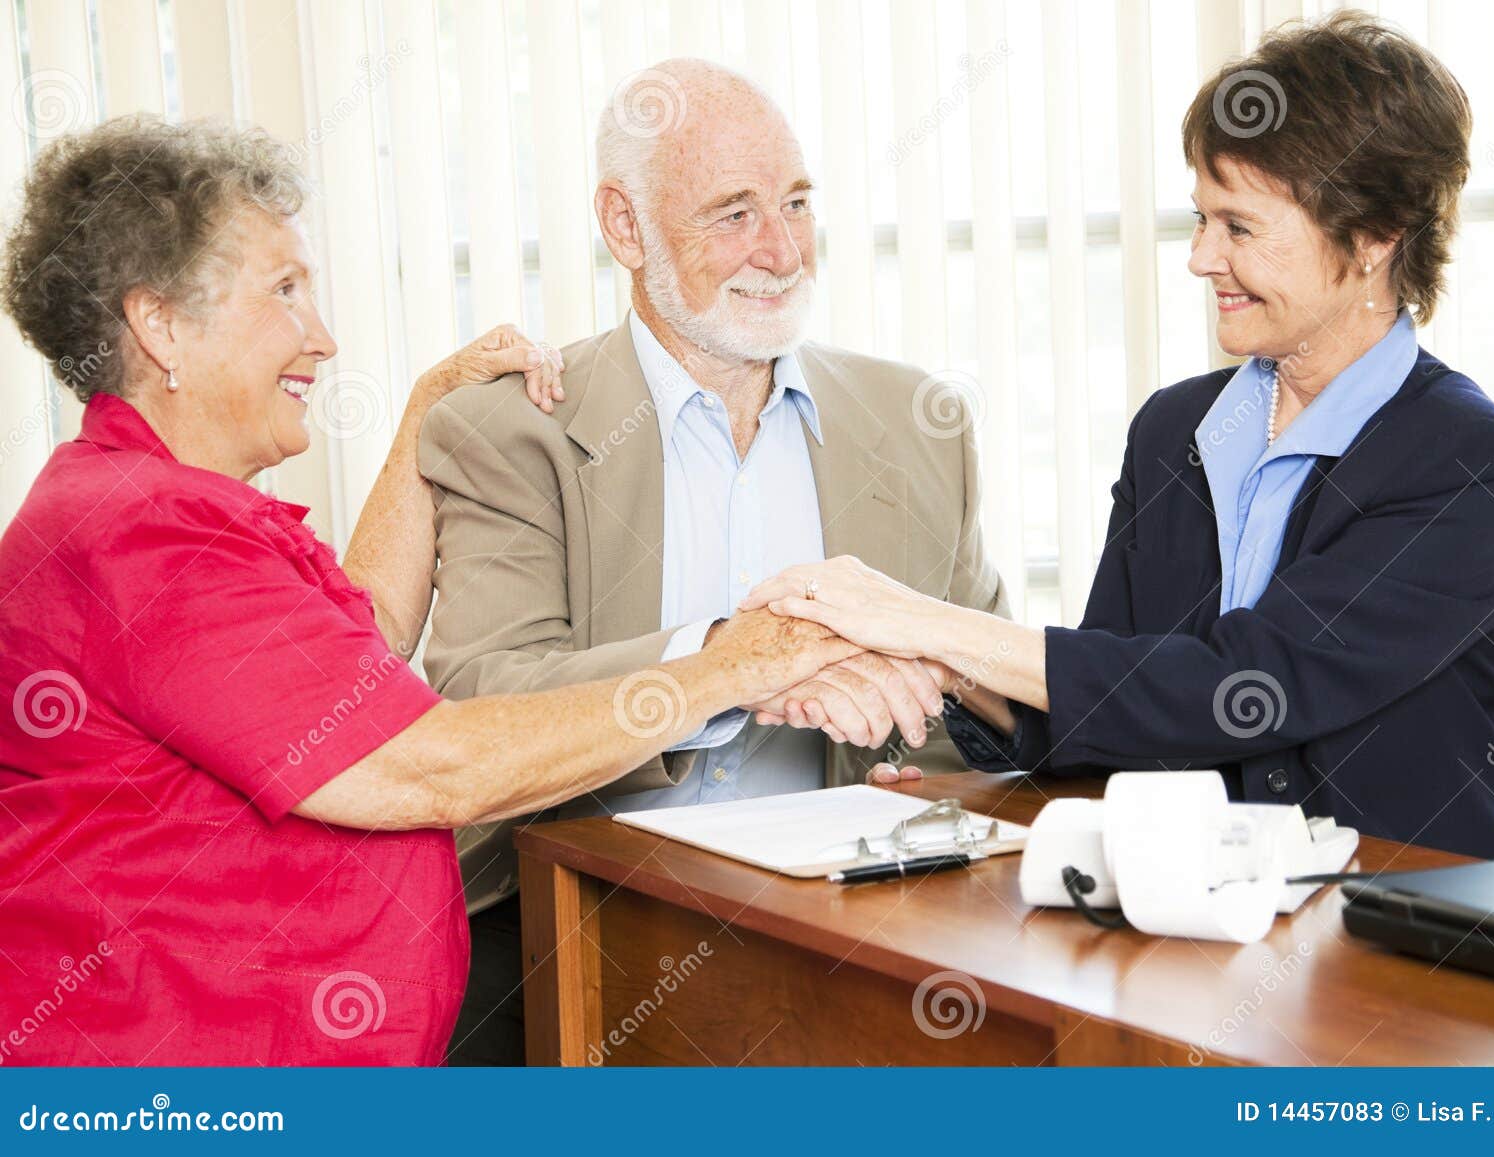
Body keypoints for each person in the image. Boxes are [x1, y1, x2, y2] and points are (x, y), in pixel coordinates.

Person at [0, 117, 861, 1066]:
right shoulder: (143, 532)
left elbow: (348, 656)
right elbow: (424, 762)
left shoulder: (151, 505)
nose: (321, 338)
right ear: (160, 324)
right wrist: (726, 665)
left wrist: (422, 424)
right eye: (284, 292)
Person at [743, 13, 1494, 859]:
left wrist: (921, 623)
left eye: (1238, 227)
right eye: (1202, 219)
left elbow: (1244, 686)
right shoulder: (1176, 431)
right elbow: (1119, 710)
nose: (1201, 258)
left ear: (1376, 238)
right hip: (1201, 914)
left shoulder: (1470, 465)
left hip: (1414, 920)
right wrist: (951, 678)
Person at [418, 58, 1006, 905]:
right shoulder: (513, 430)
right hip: (590, 914)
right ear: (626, 227)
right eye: (735, 213)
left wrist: (919, 746)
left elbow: (991, 703)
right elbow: (484, 705)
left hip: (853, 920)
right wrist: (729, 661)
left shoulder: (917, 418)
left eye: (797, 205)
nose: (782, 252)